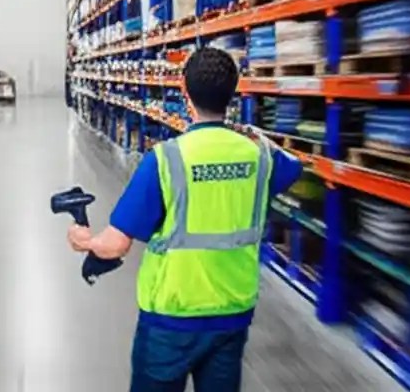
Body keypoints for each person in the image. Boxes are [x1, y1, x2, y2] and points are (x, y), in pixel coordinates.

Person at [67, 47, 304, 392]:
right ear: (232, 94)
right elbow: (294, 166)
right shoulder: (259, 155)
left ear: (185, 94)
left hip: (171, 320)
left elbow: (115, 245)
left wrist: (83, 239)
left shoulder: (165, 160)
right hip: (232, 313)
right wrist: (247, 132)